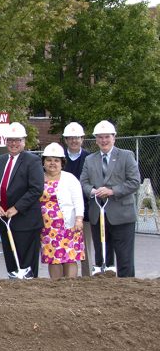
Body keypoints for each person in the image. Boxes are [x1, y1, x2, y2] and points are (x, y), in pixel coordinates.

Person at [80, 120, 140, 277]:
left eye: (107, 137)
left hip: (122, 215)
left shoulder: (126, 156)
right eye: (100, 137)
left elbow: (134, 182)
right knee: (102, 257)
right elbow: (84, 182)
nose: (103, 140)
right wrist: (93, 191)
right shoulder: (90, 159)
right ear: (96, 139)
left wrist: (112, 191)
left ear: (114, 137)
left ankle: (127, 286)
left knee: (124, 257)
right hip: (98, 215)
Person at [0, 122, 44, 278]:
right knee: (11, 259)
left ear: (23, 142)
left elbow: (36, 189)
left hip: (25, 219)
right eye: (10, 140)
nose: (13, 144)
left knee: (26, 263)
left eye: (17, 140)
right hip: (4, 219)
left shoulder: (32, 161)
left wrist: (17, 208)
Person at [39, 143, 85, 280]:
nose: (52, 163)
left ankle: (70, 285)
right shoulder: (38, 178)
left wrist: (79, 219)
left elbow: (78, 200)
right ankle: (56, 286)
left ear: (62, 163)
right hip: (47, 227)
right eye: (49, 160)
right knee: (53, 257)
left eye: (56, 160)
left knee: (70, 256)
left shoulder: (69, 178)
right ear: (44, 162)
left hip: (69, 225)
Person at [62, 122, 93, 276]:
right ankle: (63, 278)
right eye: (70, 138)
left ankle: (87, 277)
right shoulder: (59, 158)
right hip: (62, 211)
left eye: (77, 138)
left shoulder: (90, 158)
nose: (74, 141)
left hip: (85, 211)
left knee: (86, 247)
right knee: (63, 246)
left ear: (82, 139)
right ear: (66, 140)